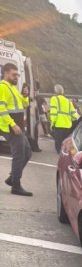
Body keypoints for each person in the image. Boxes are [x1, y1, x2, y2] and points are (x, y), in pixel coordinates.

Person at [0, 63, 32, 196]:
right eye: (14, 74)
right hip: (11, 127)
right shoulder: (2, 87)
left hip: (18, 127)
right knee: (19, 155)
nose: (16, 77)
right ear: (6, 73)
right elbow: (1, 108)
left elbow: (25, 105)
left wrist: (25, 95)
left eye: (17, 75)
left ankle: (12, 178)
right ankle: (16, 186)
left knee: (28, 152)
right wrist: (12, 124)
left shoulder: (13, 88)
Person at [48, 84, 79, 153]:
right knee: (65, 145)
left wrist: (52, 124)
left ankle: (61, 157)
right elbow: (75, 116)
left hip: (58, 126)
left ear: (55, 91)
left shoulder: (54, 99)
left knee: (58, 146)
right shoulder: (68, 101)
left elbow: (53, 113)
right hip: (68, 127)